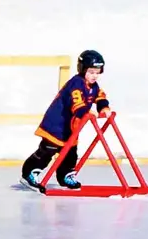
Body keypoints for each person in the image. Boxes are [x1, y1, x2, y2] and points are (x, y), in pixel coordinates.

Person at [22, 49, 109, 192]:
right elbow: (77, 104)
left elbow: (99, 96)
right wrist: (86, 112)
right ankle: (30, 173)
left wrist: (103, 107)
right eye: (91, 72)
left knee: (70, 153)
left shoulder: (93, 86)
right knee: (48, 150)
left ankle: (65, 176)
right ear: (83, 70)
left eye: (97, 72)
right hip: (56, 125)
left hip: (70, 128)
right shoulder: (76, 84)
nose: (95, 76)